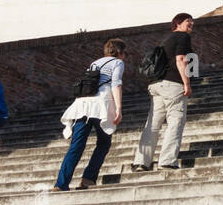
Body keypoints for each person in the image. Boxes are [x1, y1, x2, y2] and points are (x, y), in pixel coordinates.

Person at [54, 39, 126, 191]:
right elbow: (116, 84)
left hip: (83, 105)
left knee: (76, 145)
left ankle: (61, 184)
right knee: (104, 143)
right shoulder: (117, 63)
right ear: (119, 52)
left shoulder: (95, 63)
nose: (125, 56)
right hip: (101, 106)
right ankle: (88, 179)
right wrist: (119, 108)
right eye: (124, 53)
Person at [132, 13, 195, 171]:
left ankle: (141, 162)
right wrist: (187, 83)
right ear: (178, 23)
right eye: (188, 21)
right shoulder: (182, 37)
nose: (192, 24)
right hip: (173, 84)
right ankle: (167, 160)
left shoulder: (167, 40)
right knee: (175, 121)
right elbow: (181, 59)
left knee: (153, 124)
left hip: (157, 84)